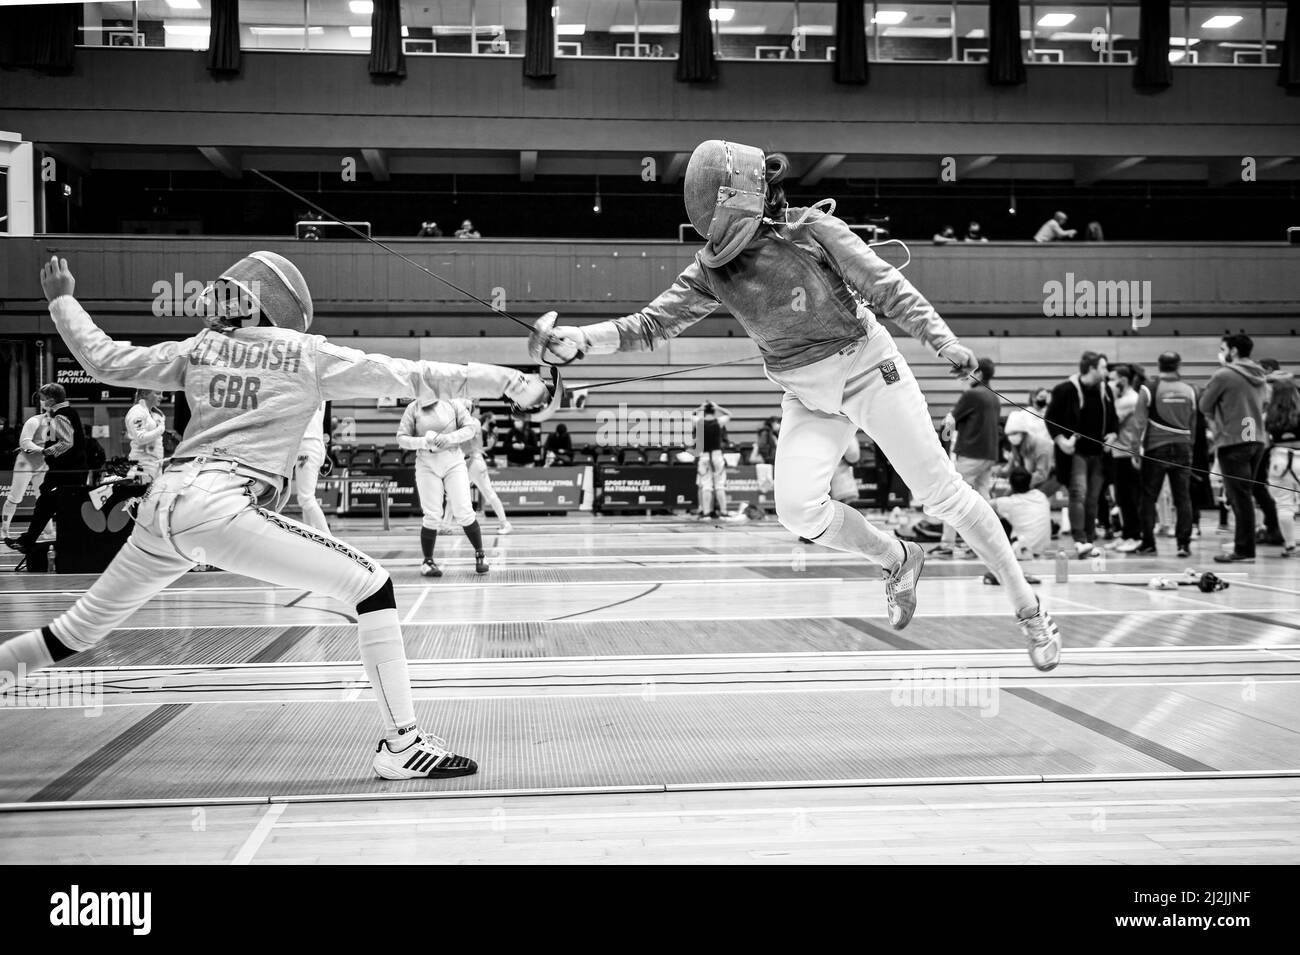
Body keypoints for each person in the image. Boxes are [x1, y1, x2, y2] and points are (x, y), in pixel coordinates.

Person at [0, 253, 551, 782]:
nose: (220, 302)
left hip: (163, 504)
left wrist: (63, 302)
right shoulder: (307, 353)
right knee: (374, 586)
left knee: (73, 632)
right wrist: (506, 380)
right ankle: (402, 746)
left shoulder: (202, 348)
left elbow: (107, 360)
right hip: (219, 505)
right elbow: (411, 375)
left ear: (254, 302)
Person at [533, 139, 1059, 669]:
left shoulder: (811, 231)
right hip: (806, 395)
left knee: (942, 495)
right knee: (797, 511)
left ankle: (1030, 611)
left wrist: (942, 339)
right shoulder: (712, 268)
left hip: (868, 369)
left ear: (744, 194)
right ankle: (898, 557)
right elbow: (649, 324)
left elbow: (886, 285)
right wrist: (580, 340)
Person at [398, 394, 490, 577]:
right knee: (432, 514)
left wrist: (448, 438)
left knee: (464, 510)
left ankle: (481, 555)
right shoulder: (414, 408)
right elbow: (401, 438)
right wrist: (424, 441)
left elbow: (471, 428)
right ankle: (428, 562)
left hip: (453, 461)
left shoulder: (454, 404)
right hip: (426, 462)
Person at [1200, 334, 1268, 563]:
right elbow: (1265, 403)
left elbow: (1204, 404)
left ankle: (1244, 550)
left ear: (1234, 351)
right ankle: (1245, 544)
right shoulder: (1260, 374)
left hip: (1233, 441)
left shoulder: (1224, 374)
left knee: (1239, 498)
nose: (1221, 352)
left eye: (1223, 348)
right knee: (1245, 495)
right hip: (1256, 439)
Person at [1047, 351, 1117, 558]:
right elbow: (1050, 418)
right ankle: (1080, 540)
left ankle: (1089, 539)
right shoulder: (1064, 390)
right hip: (1076, 452)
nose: (1107, 371)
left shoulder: (1107, 391)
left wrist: (1113, 435)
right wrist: (1061, 441)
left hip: (1099, 454)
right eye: (1103, 367)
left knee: (1094, 499)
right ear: (1092, 369)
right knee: (1078, 494)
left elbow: (1113, 420)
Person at [5, 383, 87, 552]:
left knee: (46, 502)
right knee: (46, 502)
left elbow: (66, 443)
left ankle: (28, 540)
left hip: (64, 470)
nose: (41, 402)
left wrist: (47, 451)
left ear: (50, 399)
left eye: (42, 399)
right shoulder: (69, 412)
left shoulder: (60, 416)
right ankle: (27, 539)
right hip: (67, 469)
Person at [1132, 351, 1197, 558]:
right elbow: (1193, 424)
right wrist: (1190, 447)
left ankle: (1149, 543)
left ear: (1158, 366)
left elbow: (1138, 423)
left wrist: (1135, 450)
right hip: (1183, 448)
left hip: (1155, 449)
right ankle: (1183, 545)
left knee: (1149, 498)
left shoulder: (1148, 389)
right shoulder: (1191, 390)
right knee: (1183, 498)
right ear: (1179, 366)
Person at [934, 357, 1000, 558]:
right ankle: (985, 545)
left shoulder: (972, 394)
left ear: (978, 374)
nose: (966, 375)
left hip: (971, 454)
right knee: (983, 500)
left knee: (953, 497)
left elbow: (950, 421)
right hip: (989, 455)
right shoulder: (993, 396)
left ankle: (947, 544)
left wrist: (944, 438)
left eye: (970, 371)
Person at [452, 397, 512, 535]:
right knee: (453, 494)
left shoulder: (472, 423)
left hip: (475, 463)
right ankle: (444, 525)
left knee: (489, 494)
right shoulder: (465, 422)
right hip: (467, 462)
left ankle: (505, 523)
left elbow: (465, 443)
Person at [1262, 359, 1300, 557]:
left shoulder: (1268, 413)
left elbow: (1262, 440)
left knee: (1284, 505)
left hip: (1279, 458)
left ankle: (1290, 545)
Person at [1108, 364, 1147, 553]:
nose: (1109, 383)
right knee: (1122, 498)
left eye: (1112, 379)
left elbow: (1110, 418)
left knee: (1131, 498)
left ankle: (1135, 535)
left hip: (1127, 454)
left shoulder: (1130, 400)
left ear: (1122, 380)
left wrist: (1112, 394)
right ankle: (1126, 534)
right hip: (1118, 453)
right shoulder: (1124, 398)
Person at [1, 404, 51, 541]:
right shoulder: (34, 421)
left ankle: (49, 531)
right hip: (25, 463)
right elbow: (24, 443)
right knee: (15, 497)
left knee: (45, 499)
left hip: (43, 465)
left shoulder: (59, 424)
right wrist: (44, 450)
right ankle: (4, 529)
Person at [993, 468, 1052, 559]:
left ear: (1011, 485)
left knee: (996, 517)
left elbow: (985, 505)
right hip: (1041, 549)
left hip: (1021, 549)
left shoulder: (1010, 502)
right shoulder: (1041, 496)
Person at [293, 401, 331, 535]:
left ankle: (330, 540)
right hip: (315, 444)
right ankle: (310, 536)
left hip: (306, 446)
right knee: (308, 497)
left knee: (305, 498)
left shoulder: (302, 387)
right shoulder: (319, 389)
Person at [692, 401, 732, 519]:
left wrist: (700, 407)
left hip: (704, 456)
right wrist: (718, 407)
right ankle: (724, 512)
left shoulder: (698, 422)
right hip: (717, 456)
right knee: (719, 485)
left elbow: (691, 414)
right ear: (714, 411)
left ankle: (706, 513)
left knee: (706, 485)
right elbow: (730, 414)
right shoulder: (719, 422)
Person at [124, 388, 167, 483]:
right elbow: (140, 438)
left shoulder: (155, 413)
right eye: (158, 393)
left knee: (155, 496)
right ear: (145, 394)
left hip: (157, 463)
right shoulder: (137, 411)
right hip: (142, 464)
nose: (161, 397)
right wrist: (160, 429)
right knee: (141, 496)